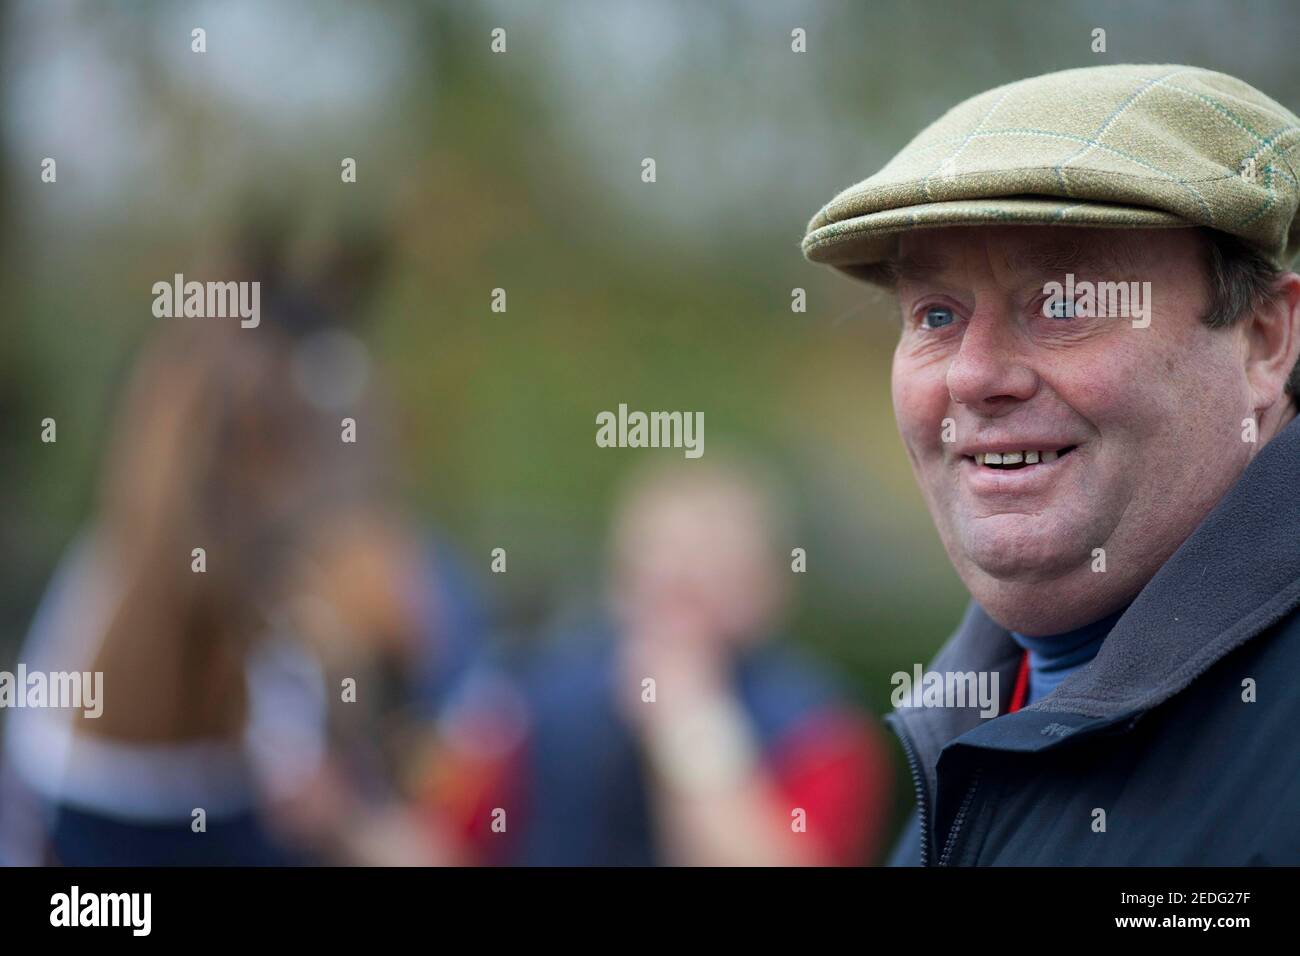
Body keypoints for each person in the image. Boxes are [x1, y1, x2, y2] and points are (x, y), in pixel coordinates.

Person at [801, 64, 1300, 865]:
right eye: (936, 314)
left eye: (1064, 303)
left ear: (1264, 340)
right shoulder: (970, 723)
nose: (972, 375)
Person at [480, 460, 892, 866]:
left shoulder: (822, 735)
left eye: (701, 584)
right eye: (654, 577)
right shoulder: (530, 705)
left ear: (770, 591)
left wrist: (689, 729)